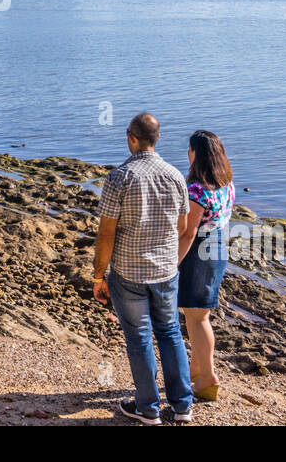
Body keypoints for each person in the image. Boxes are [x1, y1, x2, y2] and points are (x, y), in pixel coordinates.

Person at [93, 112, 193, 424]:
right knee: (171, 332)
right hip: (165, 271)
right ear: (157, 139)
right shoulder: (176, 176)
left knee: (139, 336)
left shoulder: (118, 178)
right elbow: (182, 225)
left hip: (129, 273)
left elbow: (106, 232)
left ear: (131, 138)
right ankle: (182, 406)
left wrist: (98, 275)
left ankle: (148, 408)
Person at [177, 129, 235, 402]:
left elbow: (188, 232)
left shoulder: (197, 189)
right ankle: (197, 367)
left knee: (195, 316)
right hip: (219, 248)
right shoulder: (226, 182)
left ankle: (208, 378)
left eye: (189, 150)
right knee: (201, 314)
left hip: (199, 252)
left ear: (195, 154)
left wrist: (173, 263)